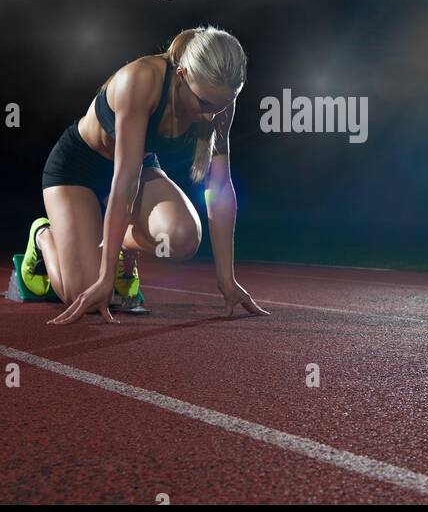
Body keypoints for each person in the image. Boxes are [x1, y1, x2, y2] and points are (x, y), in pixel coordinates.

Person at [23, 25, 269, 325]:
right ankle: (44, 236)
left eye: (222, 105)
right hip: (78, 168)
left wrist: (226, 279)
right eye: (204, 104)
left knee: (181, 237)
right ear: (182, 75)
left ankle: (119, 245)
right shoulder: (140, 80)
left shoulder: (219, 103)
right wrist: (104, 277)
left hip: (138, 164)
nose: (211, 116)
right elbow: (124, 182)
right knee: (83, 296)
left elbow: (219, 188)